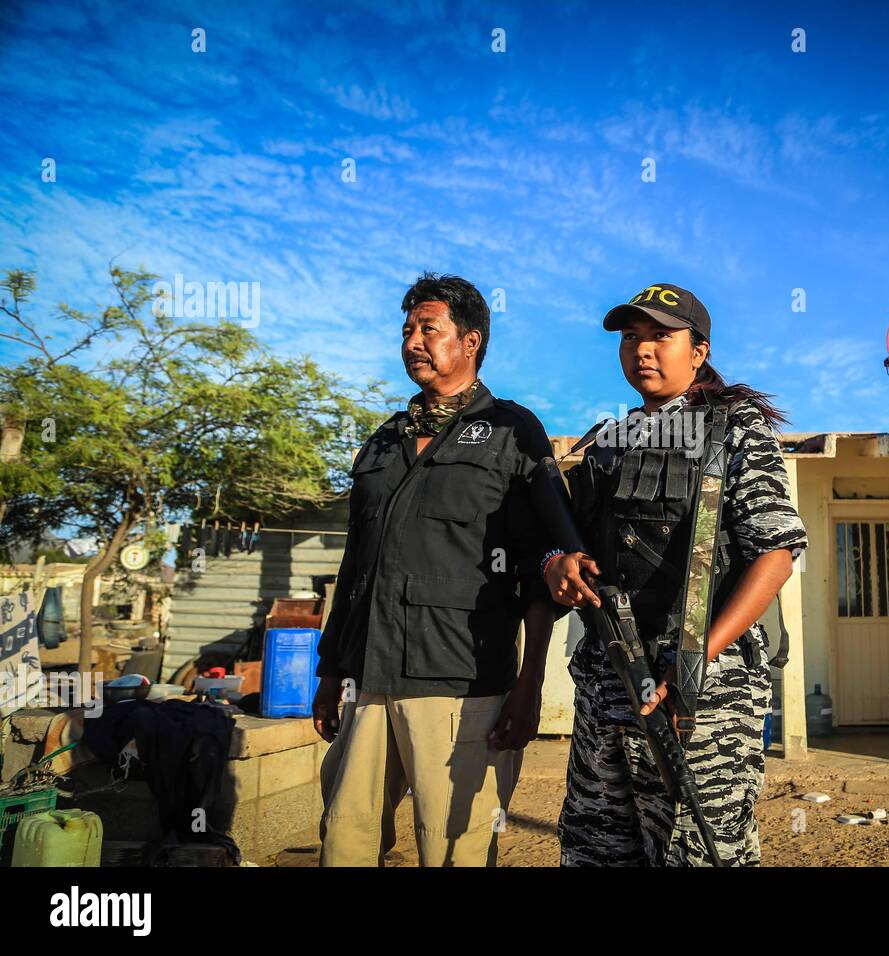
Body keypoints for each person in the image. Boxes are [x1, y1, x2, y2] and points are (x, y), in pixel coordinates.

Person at [545, 282, 807, 866]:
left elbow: (777, 552)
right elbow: (575, 548)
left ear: (699, 350)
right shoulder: (606, 443)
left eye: (662, 336)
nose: (642, 350)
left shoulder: (733, 427)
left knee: (696, 846)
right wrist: (558, 562)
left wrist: (697, 655)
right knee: (598, 846)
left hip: (702, 691)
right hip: (609, 679)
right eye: (632, 338)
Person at [312, 272, 556, 866]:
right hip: (367, 680)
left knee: (455, 850)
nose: (413, 341)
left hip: (461, 685)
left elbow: (543, 569)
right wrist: (330, 669)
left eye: (429, 329)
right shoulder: (384, 440)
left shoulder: (511, 432)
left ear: (469, 342)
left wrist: (529, 687)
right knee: (344, 839)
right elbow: (356, 565)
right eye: (406, 331)